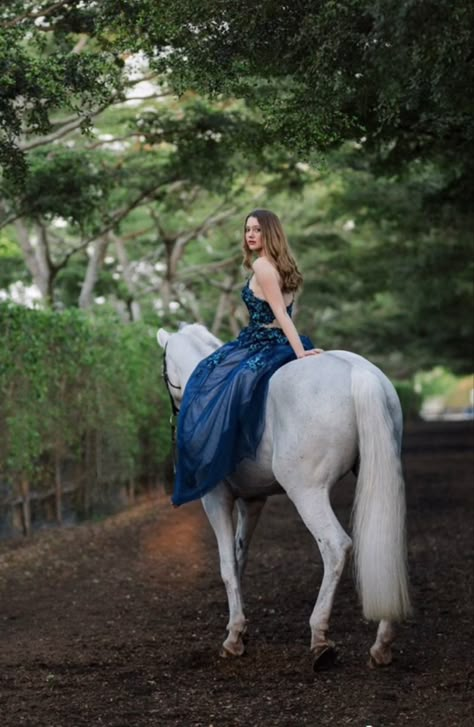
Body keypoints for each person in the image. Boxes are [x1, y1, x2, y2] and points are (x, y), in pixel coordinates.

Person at [172, 209, 322, 506]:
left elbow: (280, 314)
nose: (250, 235)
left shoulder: (263, 266)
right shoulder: (283, 265)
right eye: (247, 229)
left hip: (263, 343)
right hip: (265, 340)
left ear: (271, 233)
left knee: (210, 378)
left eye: (257, 229)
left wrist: (300, 352)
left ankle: (226, 462)